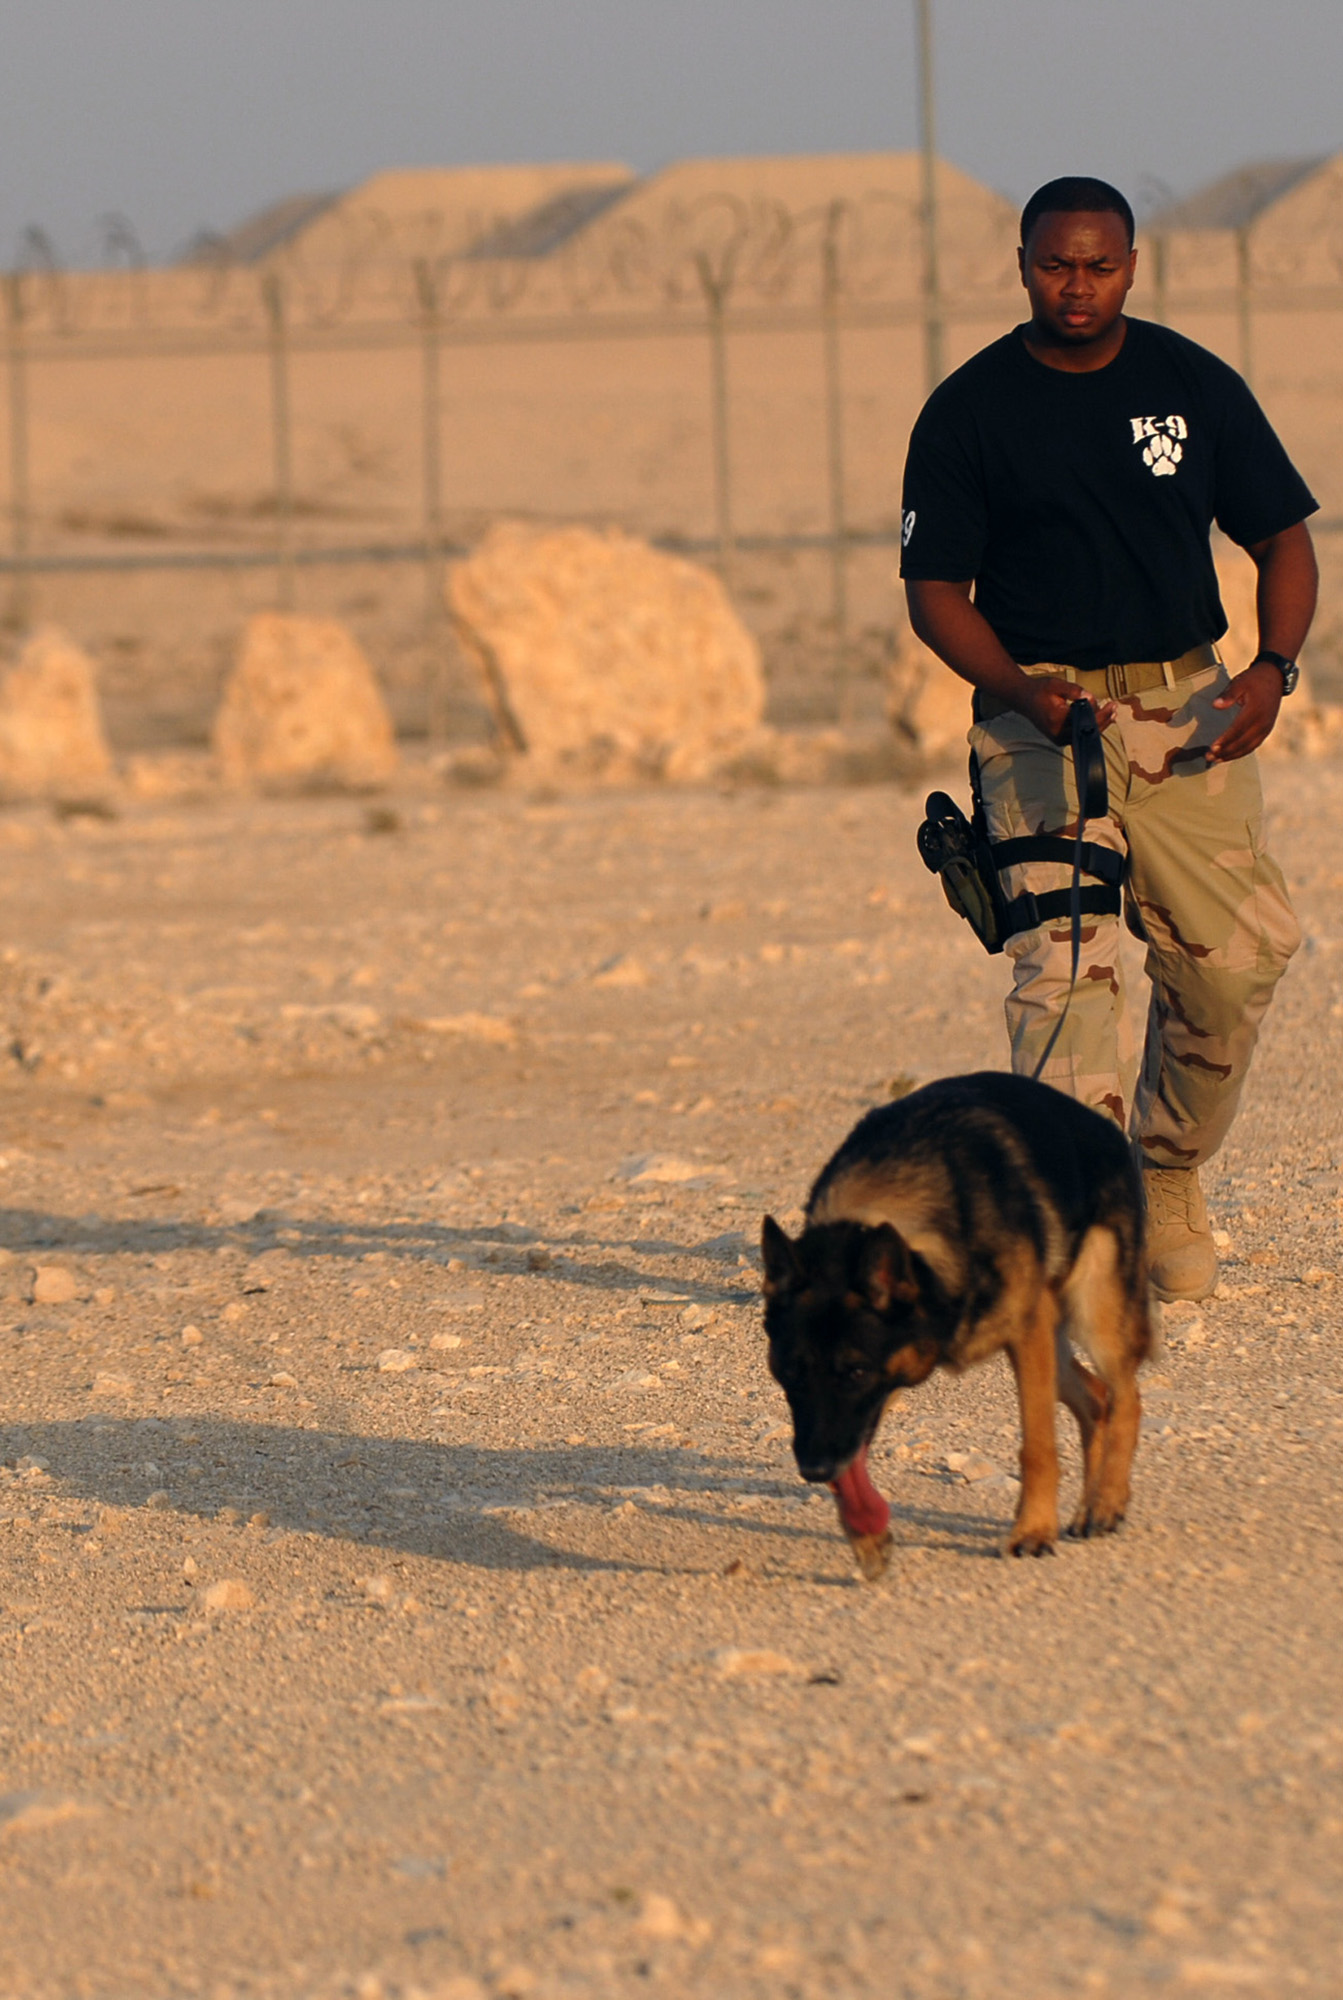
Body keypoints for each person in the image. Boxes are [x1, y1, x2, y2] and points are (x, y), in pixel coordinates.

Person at [900, 175, 1318, 1302]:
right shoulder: (969, 408)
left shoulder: (1190, 384)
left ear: (1130, 266)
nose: (1074, 286)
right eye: (1053, 265)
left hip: (1188, 713)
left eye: (1096, 265)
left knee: (1235, 964)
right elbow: (933, 591)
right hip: (1040, 726)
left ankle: (1165, 1168)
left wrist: (1270, 671)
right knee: (1063, 974)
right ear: (1021, 265)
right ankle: (1082, 1226)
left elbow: (1282, 538)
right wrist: (1014, 689)